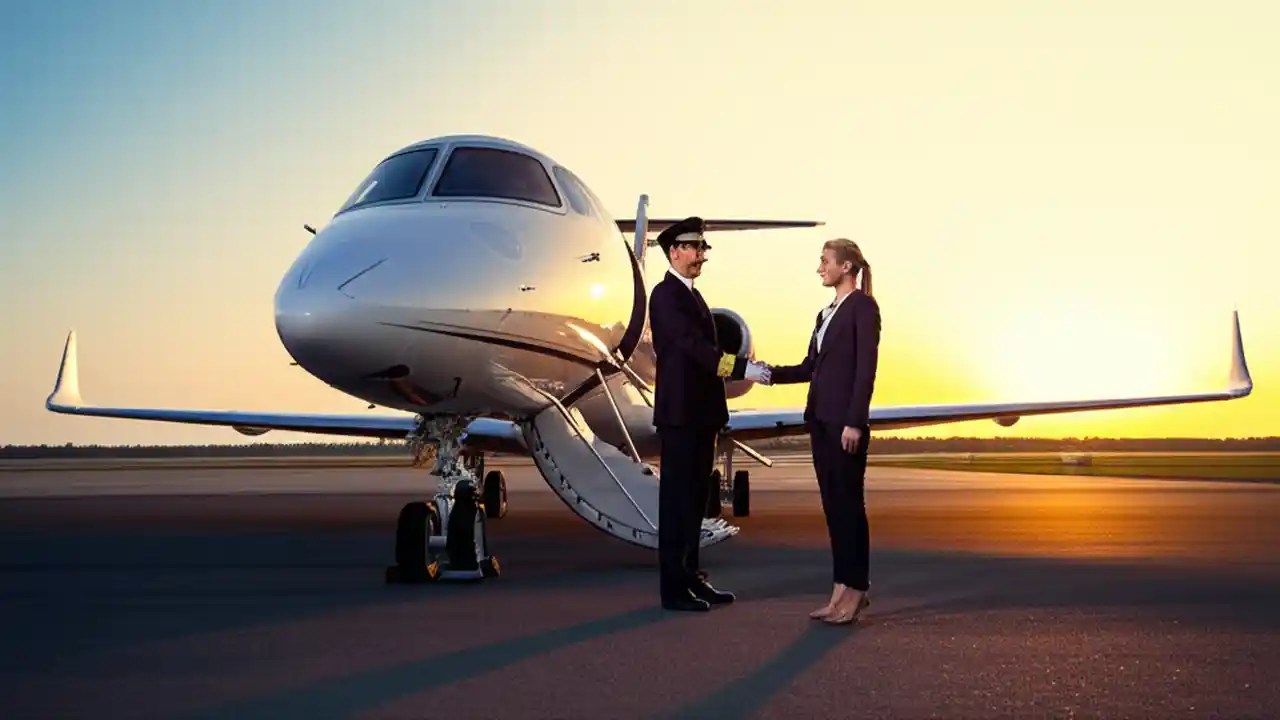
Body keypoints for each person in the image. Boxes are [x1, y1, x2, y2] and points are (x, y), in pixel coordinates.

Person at [648, 216, 771, 612]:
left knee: (695, 503)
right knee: (677, 506)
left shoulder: (693, 296)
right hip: (681, 416)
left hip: (701, 417)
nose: (701, 255)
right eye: (694, 248)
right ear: (674, 252)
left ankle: (691, 579)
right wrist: (742, 368)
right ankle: (673, 590)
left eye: (703, 249)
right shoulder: (665, 296)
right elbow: (692, 348)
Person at [767, 238, 880, 625]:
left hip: (844, 425)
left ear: (846, 267)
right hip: (820, 421)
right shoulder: (825, 314)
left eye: (824, 261)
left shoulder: (863, 308)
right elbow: (808, 368)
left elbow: (866, 368)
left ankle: (857, 589)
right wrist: (764, 373)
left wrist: (855, 421)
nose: (819, 268)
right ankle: (839, 590)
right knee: (834, 510)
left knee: (850, 509)